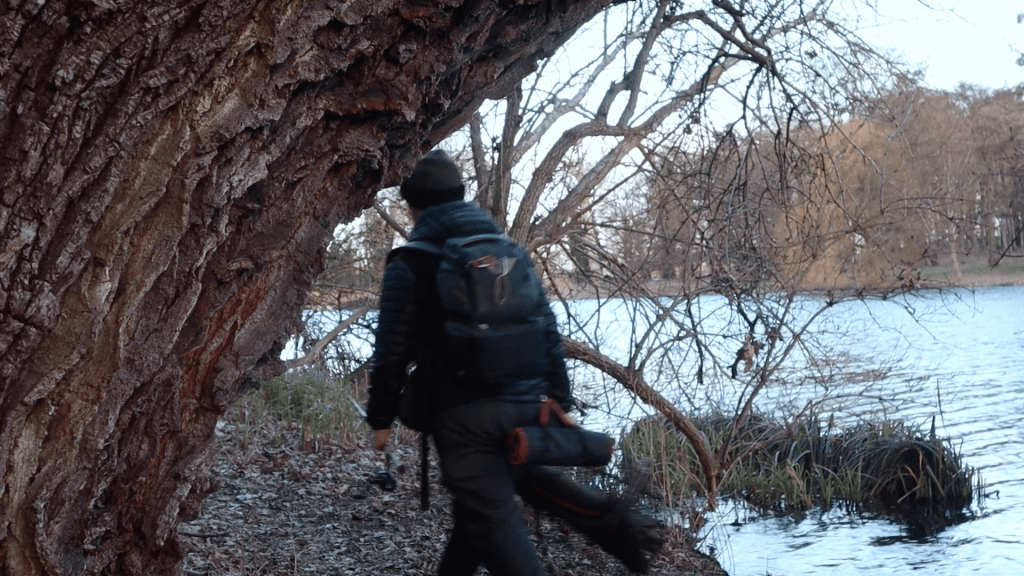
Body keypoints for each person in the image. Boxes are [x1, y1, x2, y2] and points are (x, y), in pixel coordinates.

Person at [365, 149, 664, 576]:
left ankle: (613, 524)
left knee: (492, 523)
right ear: (460, 194)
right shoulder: (509, 251)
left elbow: (391, 350)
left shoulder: (410, 261)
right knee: (485, 505)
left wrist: (380, 419)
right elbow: (547, 329)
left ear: (412, 205)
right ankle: (611, 523)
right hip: (525, 403)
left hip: (463, 417)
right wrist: (558, 399)